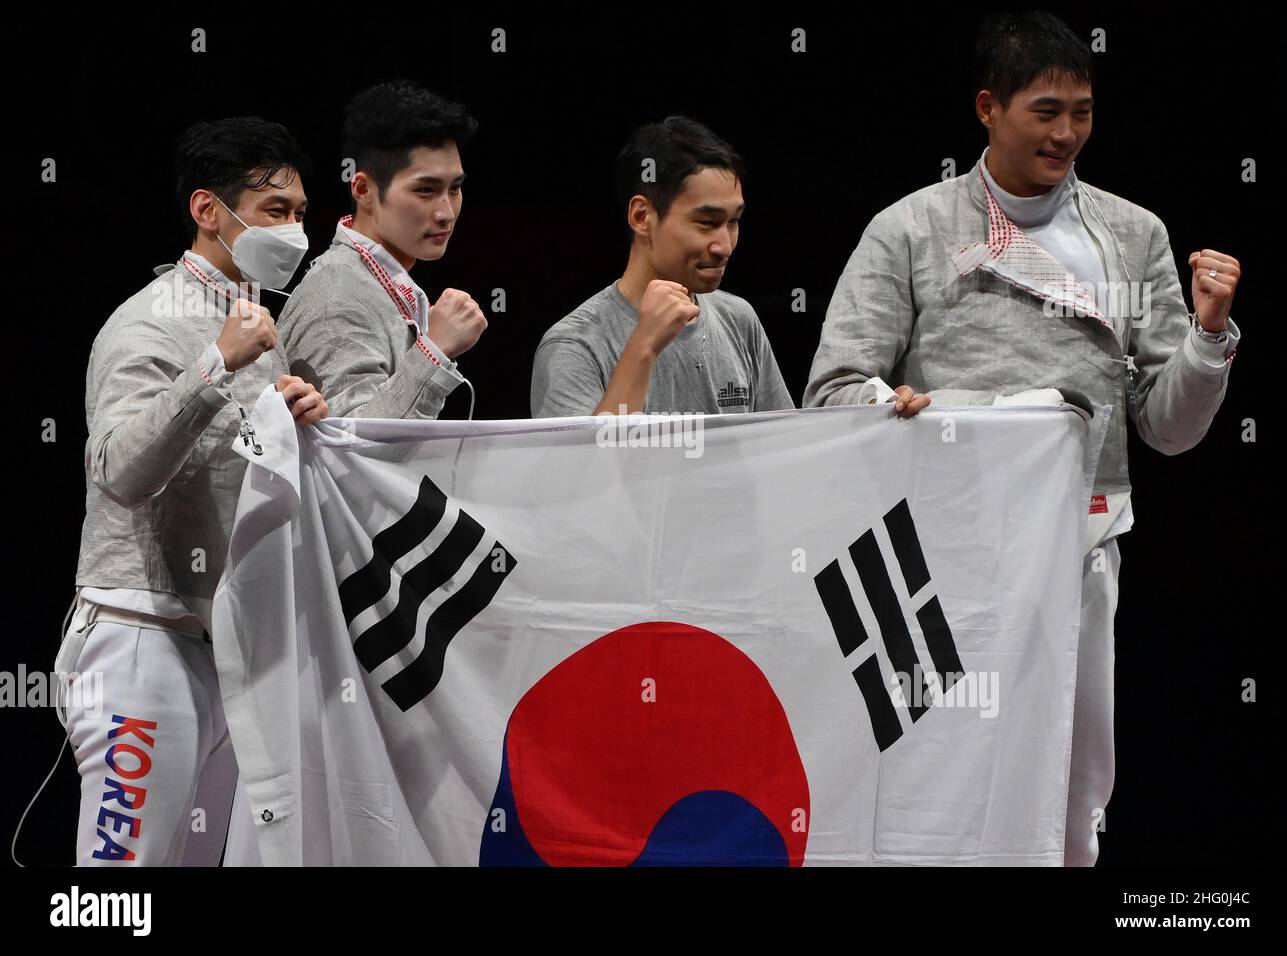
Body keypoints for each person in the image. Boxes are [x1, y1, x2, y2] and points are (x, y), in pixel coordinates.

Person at [804, 11, 1241, 866]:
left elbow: (1166, 428)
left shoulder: (1131, 235)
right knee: (934, 762)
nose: (1067, 133)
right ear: (987, 108)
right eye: (1046, 111)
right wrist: (889, 404)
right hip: (938, 544)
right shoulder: (910, 229)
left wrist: (1209, 338)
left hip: (1079, 536)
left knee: (1074, 783)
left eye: (1082, 111)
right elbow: (831, 389)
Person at [58, 117, 330, 865]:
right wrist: (213, 369)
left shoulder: (257, 328)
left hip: (228, 651)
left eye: (302, 213)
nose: (295, 231)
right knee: (119, 884)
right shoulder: (148, 324)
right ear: (209, 210)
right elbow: (117, 471)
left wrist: (300, 419)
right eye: (276, 211)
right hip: (139, 645)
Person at [531, 116, 930, 419]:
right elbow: (580, 487)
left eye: (733, 221)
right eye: (706, 222)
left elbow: (785, 455)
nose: (723, 245)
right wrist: (644, 345)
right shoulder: (574, 345)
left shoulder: (739, 320)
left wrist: (879, 416)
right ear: (641, 216)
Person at [279, 80, 486, 419]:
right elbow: (353, 453)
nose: (446, 212)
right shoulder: (337, 299)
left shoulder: (374, 281)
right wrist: (433, 351)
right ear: (363, 189)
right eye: (426, 190)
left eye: (455, 188)